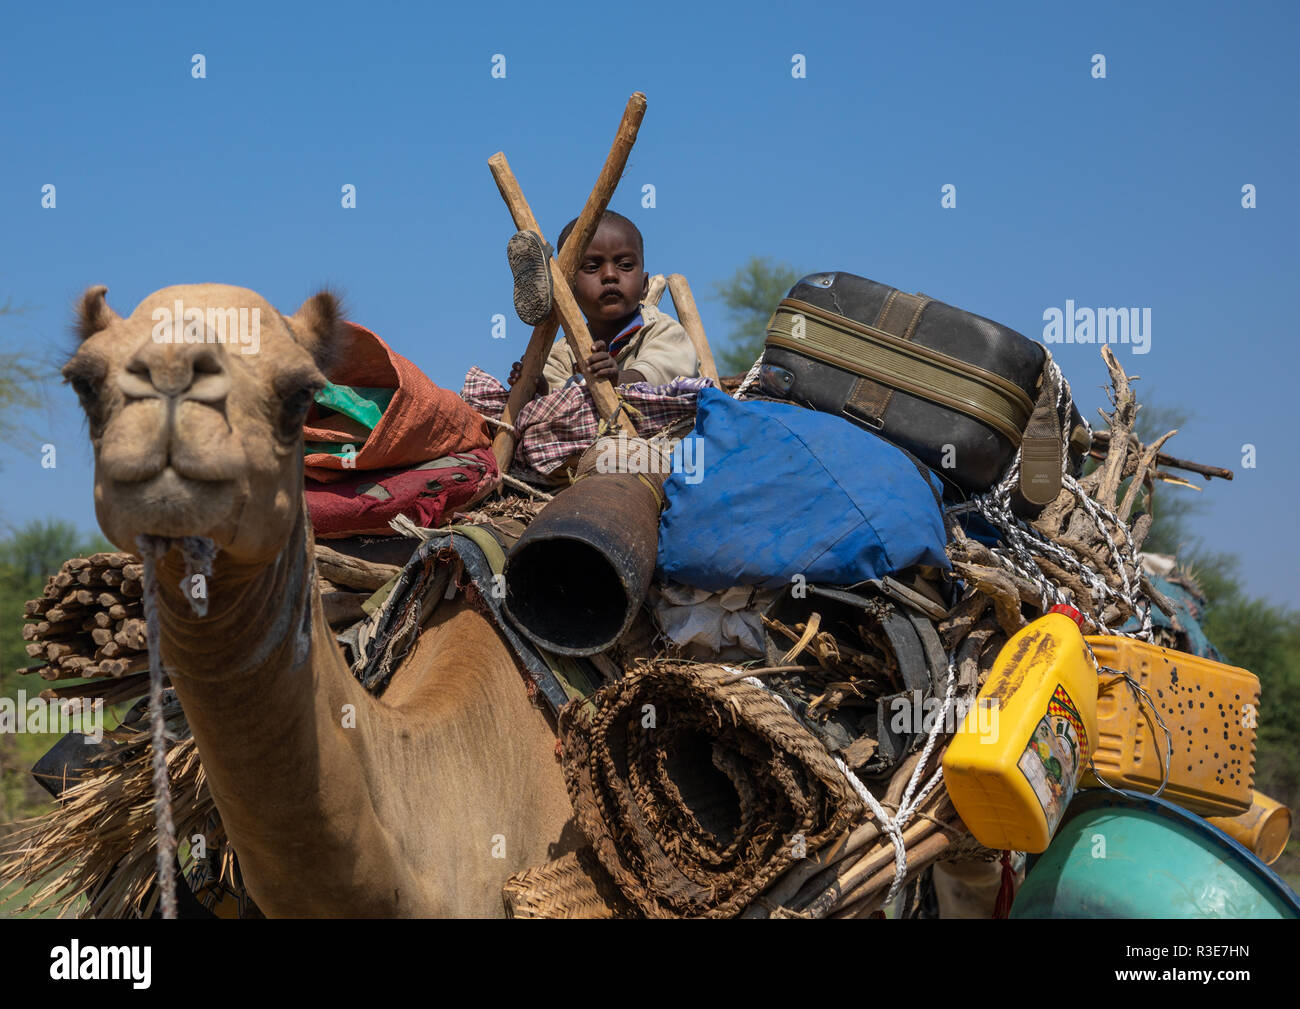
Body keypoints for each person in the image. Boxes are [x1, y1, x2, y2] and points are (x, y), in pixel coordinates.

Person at [506, 211, 699, 397]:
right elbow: (557, 396)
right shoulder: (563, 353)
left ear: (644, 285)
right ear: (569, 291)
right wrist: (538, 385)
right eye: (591, 267)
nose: (610, 275)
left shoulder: (662, 330)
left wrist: (617, 379)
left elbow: (666, 375)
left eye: (625, 266)